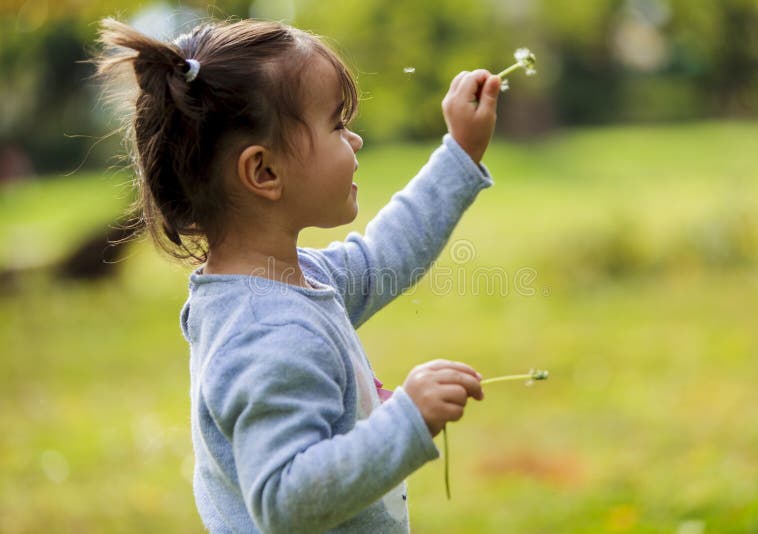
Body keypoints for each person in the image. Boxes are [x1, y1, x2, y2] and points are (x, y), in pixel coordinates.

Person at [94, 16, 501, 534]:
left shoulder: (284, 282)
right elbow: (284, 499)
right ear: (264, 172)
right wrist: (407, 422)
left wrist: (459, 156)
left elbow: (385, 256)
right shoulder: (269, 332)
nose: (354, 141)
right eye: (335, 124)